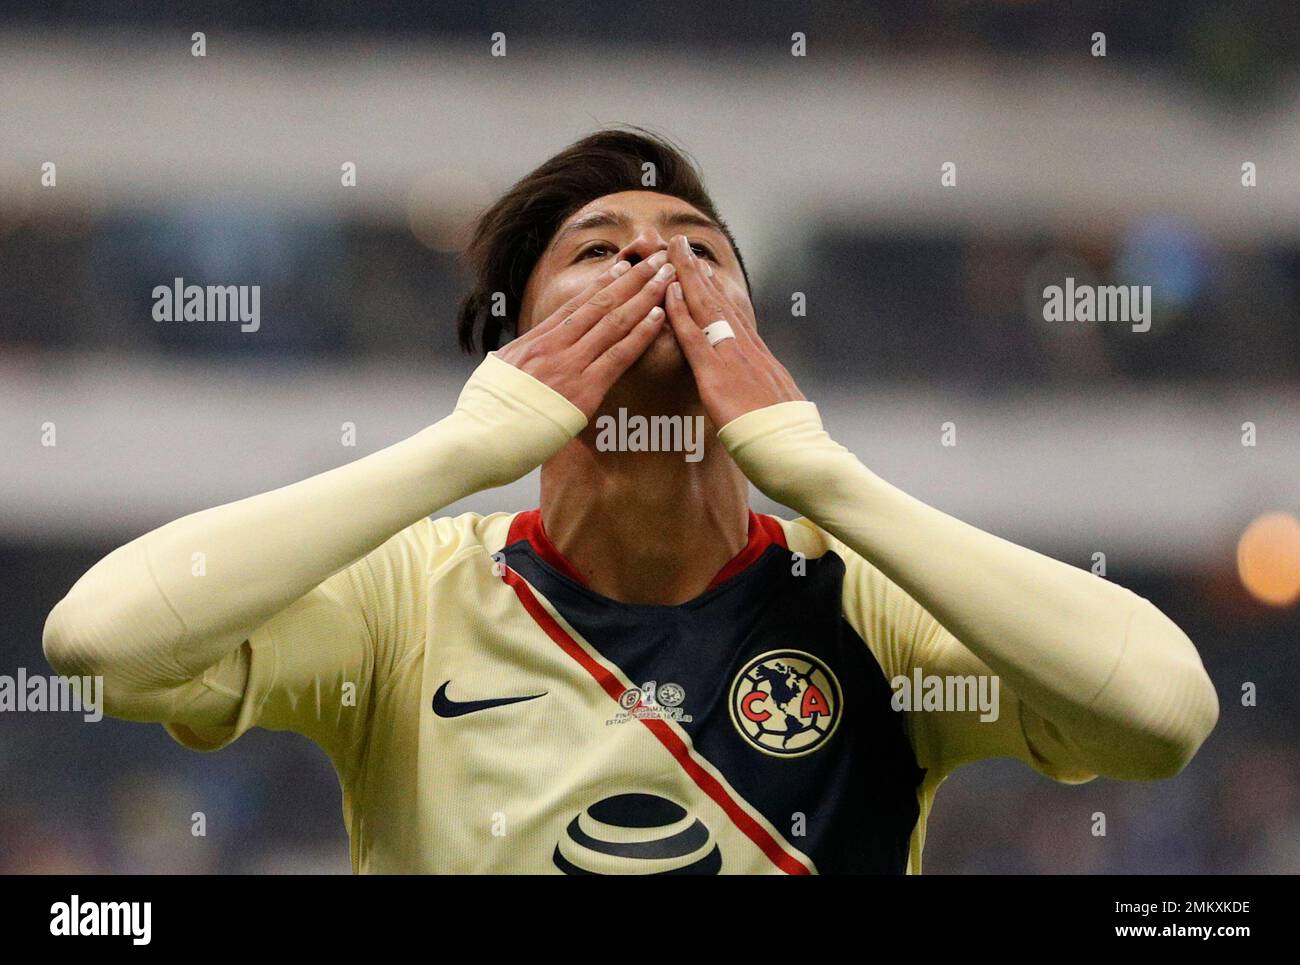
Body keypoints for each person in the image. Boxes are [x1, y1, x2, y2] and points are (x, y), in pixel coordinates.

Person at [43, 128, 1218, 874]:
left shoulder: (868, 604)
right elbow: (103, 642)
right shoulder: (405, 597)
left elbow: (1162, 712)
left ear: (748, 333)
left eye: (700, 251)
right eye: (600, 251)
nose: (659, 270)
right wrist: (459, 451)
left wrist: (823, 477)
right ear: (521, 339)